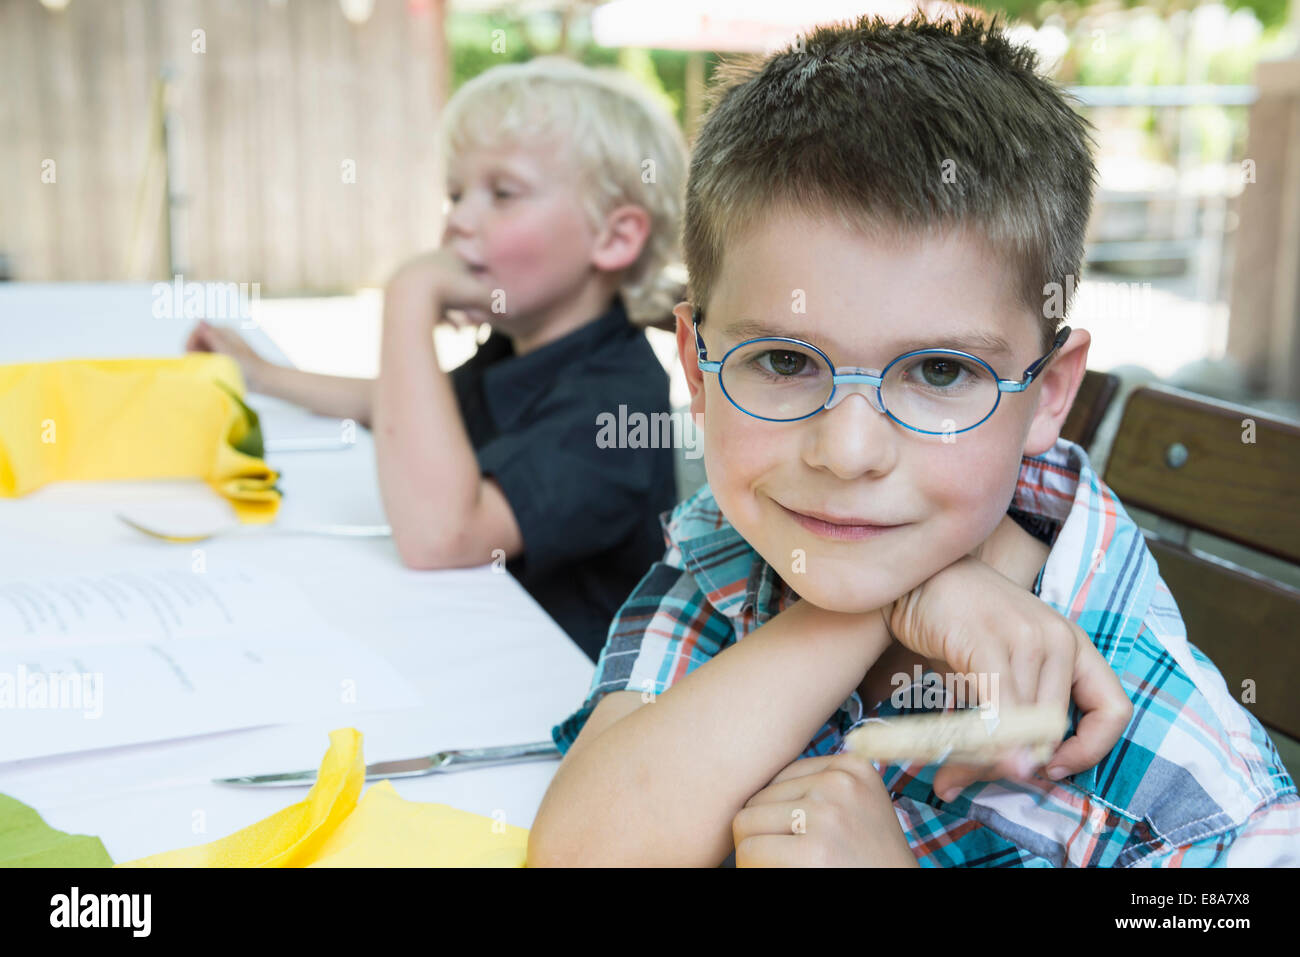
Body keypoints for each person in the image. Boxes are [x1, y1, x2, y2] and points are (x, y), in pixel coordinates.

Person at [528, 13, 1299, 866]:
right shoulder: (737, 538)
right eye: (785, 358)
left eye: (938, 373)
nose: (848, 453)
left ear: (1049, 393)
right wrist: (876, 606)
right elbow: (585, 849)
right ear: (699, 369)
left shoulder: (1194, 788)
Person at [187, 58, 686, 662]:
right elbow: (403, 407)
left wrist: (408, 297)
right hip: (471, 642)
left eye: (502, 193)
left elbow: (442, 536)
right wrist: (261, 375)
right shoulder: (521, 346)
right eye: (455, 194)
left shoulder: (617, 404)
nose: (458, 221)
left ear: (613, 238)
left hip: (555, 697)